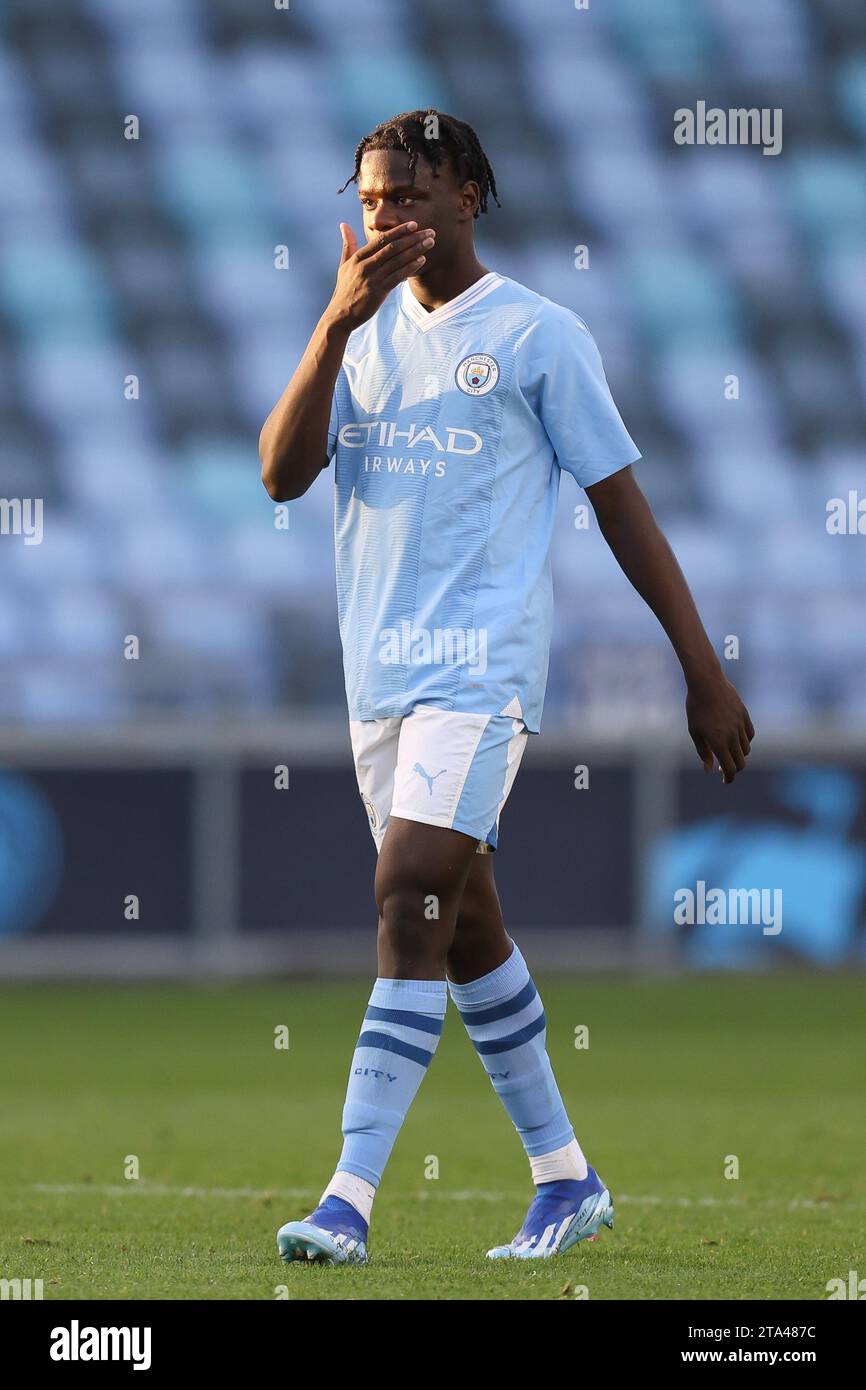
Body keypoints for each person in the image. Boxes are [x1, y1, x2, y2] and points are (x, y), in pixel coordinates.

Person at [259, 110, 754, 1264]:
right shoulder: (359, 336)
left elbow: (620, 504)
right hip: (376, 673)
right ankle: (565, 1176)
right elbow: (281, 474)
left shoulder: (537, 333)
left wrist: (700, 668)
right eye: (374, 199)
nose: (390, 217)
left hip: (478, 670)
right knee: (460, 920)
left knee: (408, 886)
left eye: (413, 195)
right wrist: (335, 321)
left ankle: (347, 1195)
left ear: (468, 195)